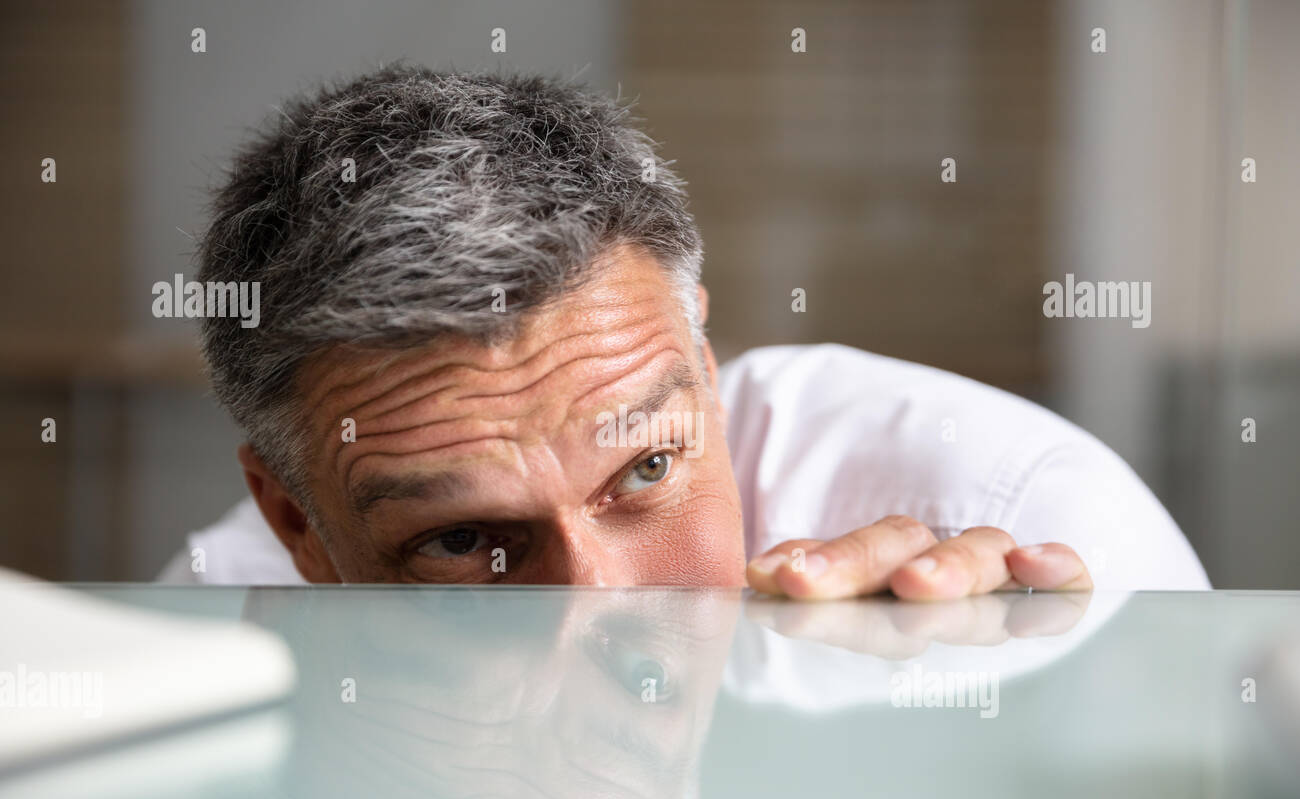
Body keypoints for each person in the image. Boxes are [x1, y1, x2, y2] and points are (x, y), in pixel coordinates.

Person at [158, 67, 1209, 598]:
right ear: (297, 526)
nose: (599, 615)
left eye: (649, 464)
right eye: (464, 540)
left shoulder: (1029, 520)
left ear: (703, 369)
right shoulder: (213, 647)